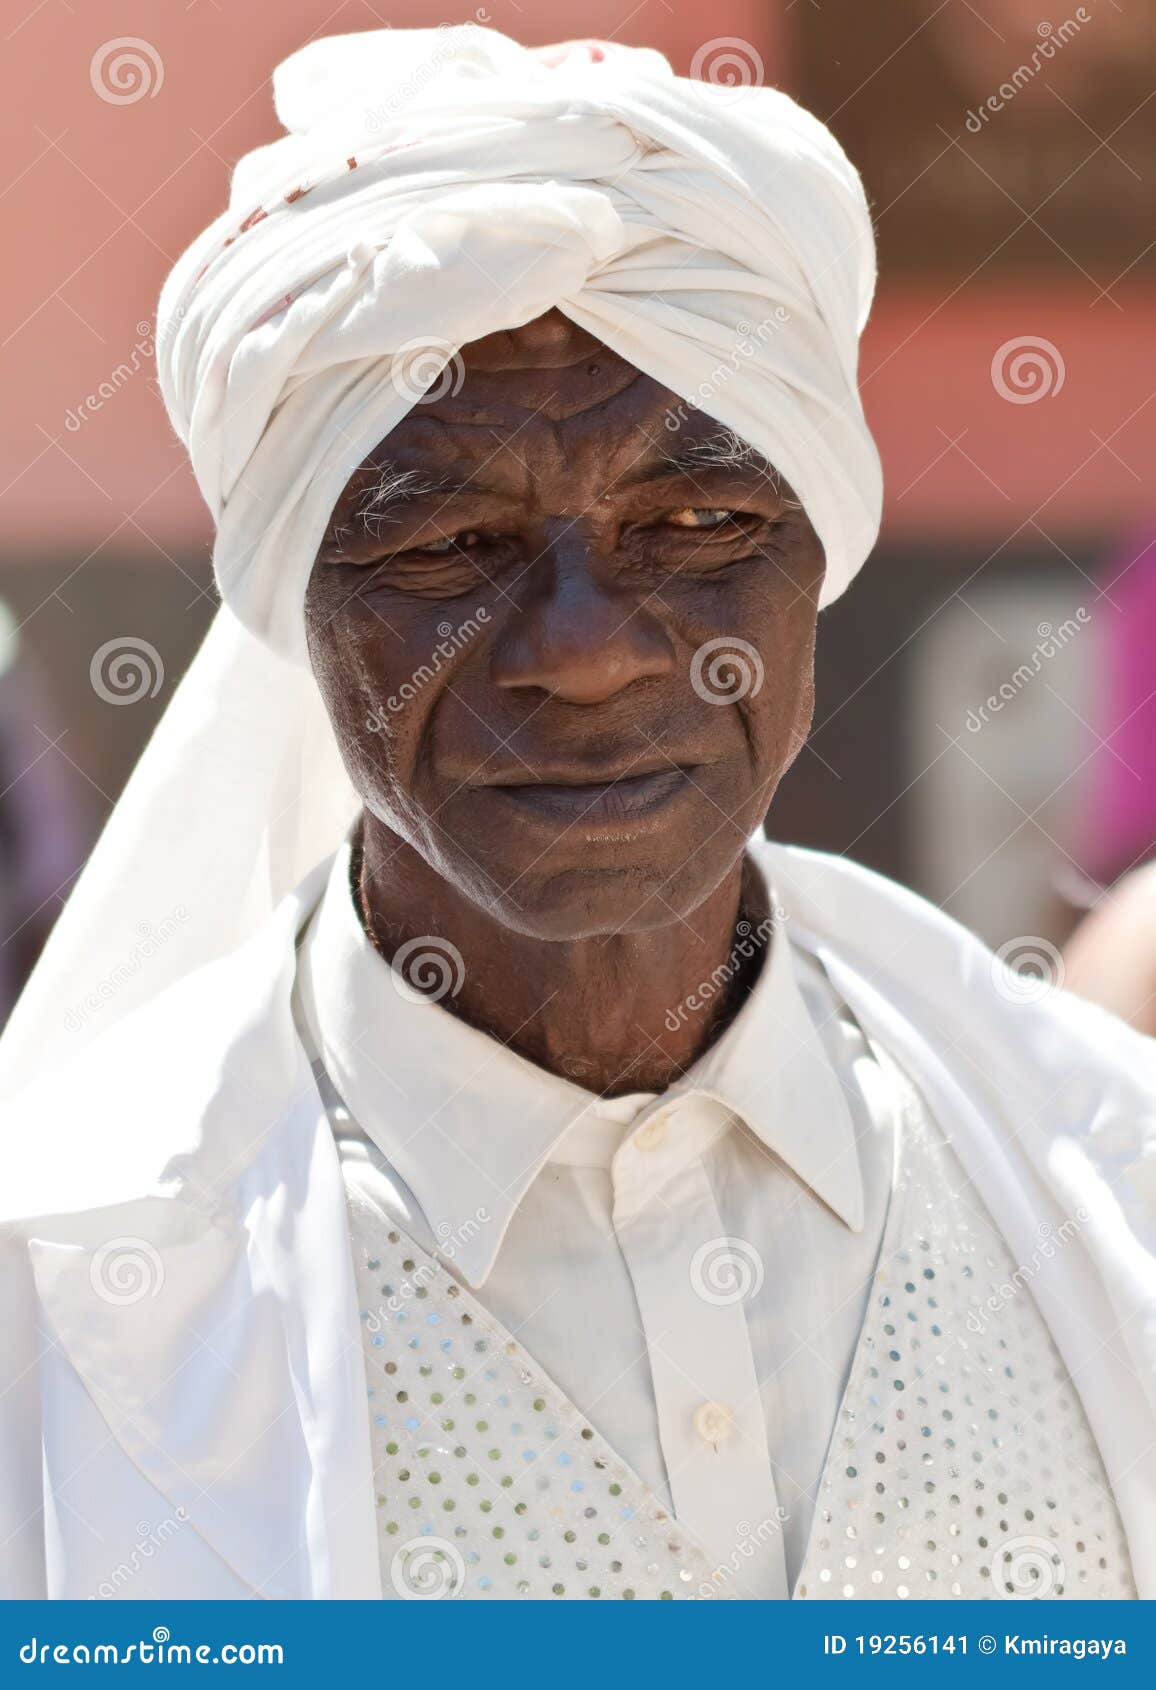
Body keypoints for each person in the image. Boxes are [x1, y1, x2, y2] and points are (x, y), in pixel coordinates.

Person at [1, 28, 1153, 1604]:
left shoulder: (1103, 1170)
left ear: (815, 557)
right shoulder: (60, 1286)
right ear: (295, 604)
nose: (588, 648)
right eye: (446, 547)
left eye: (699, 521)